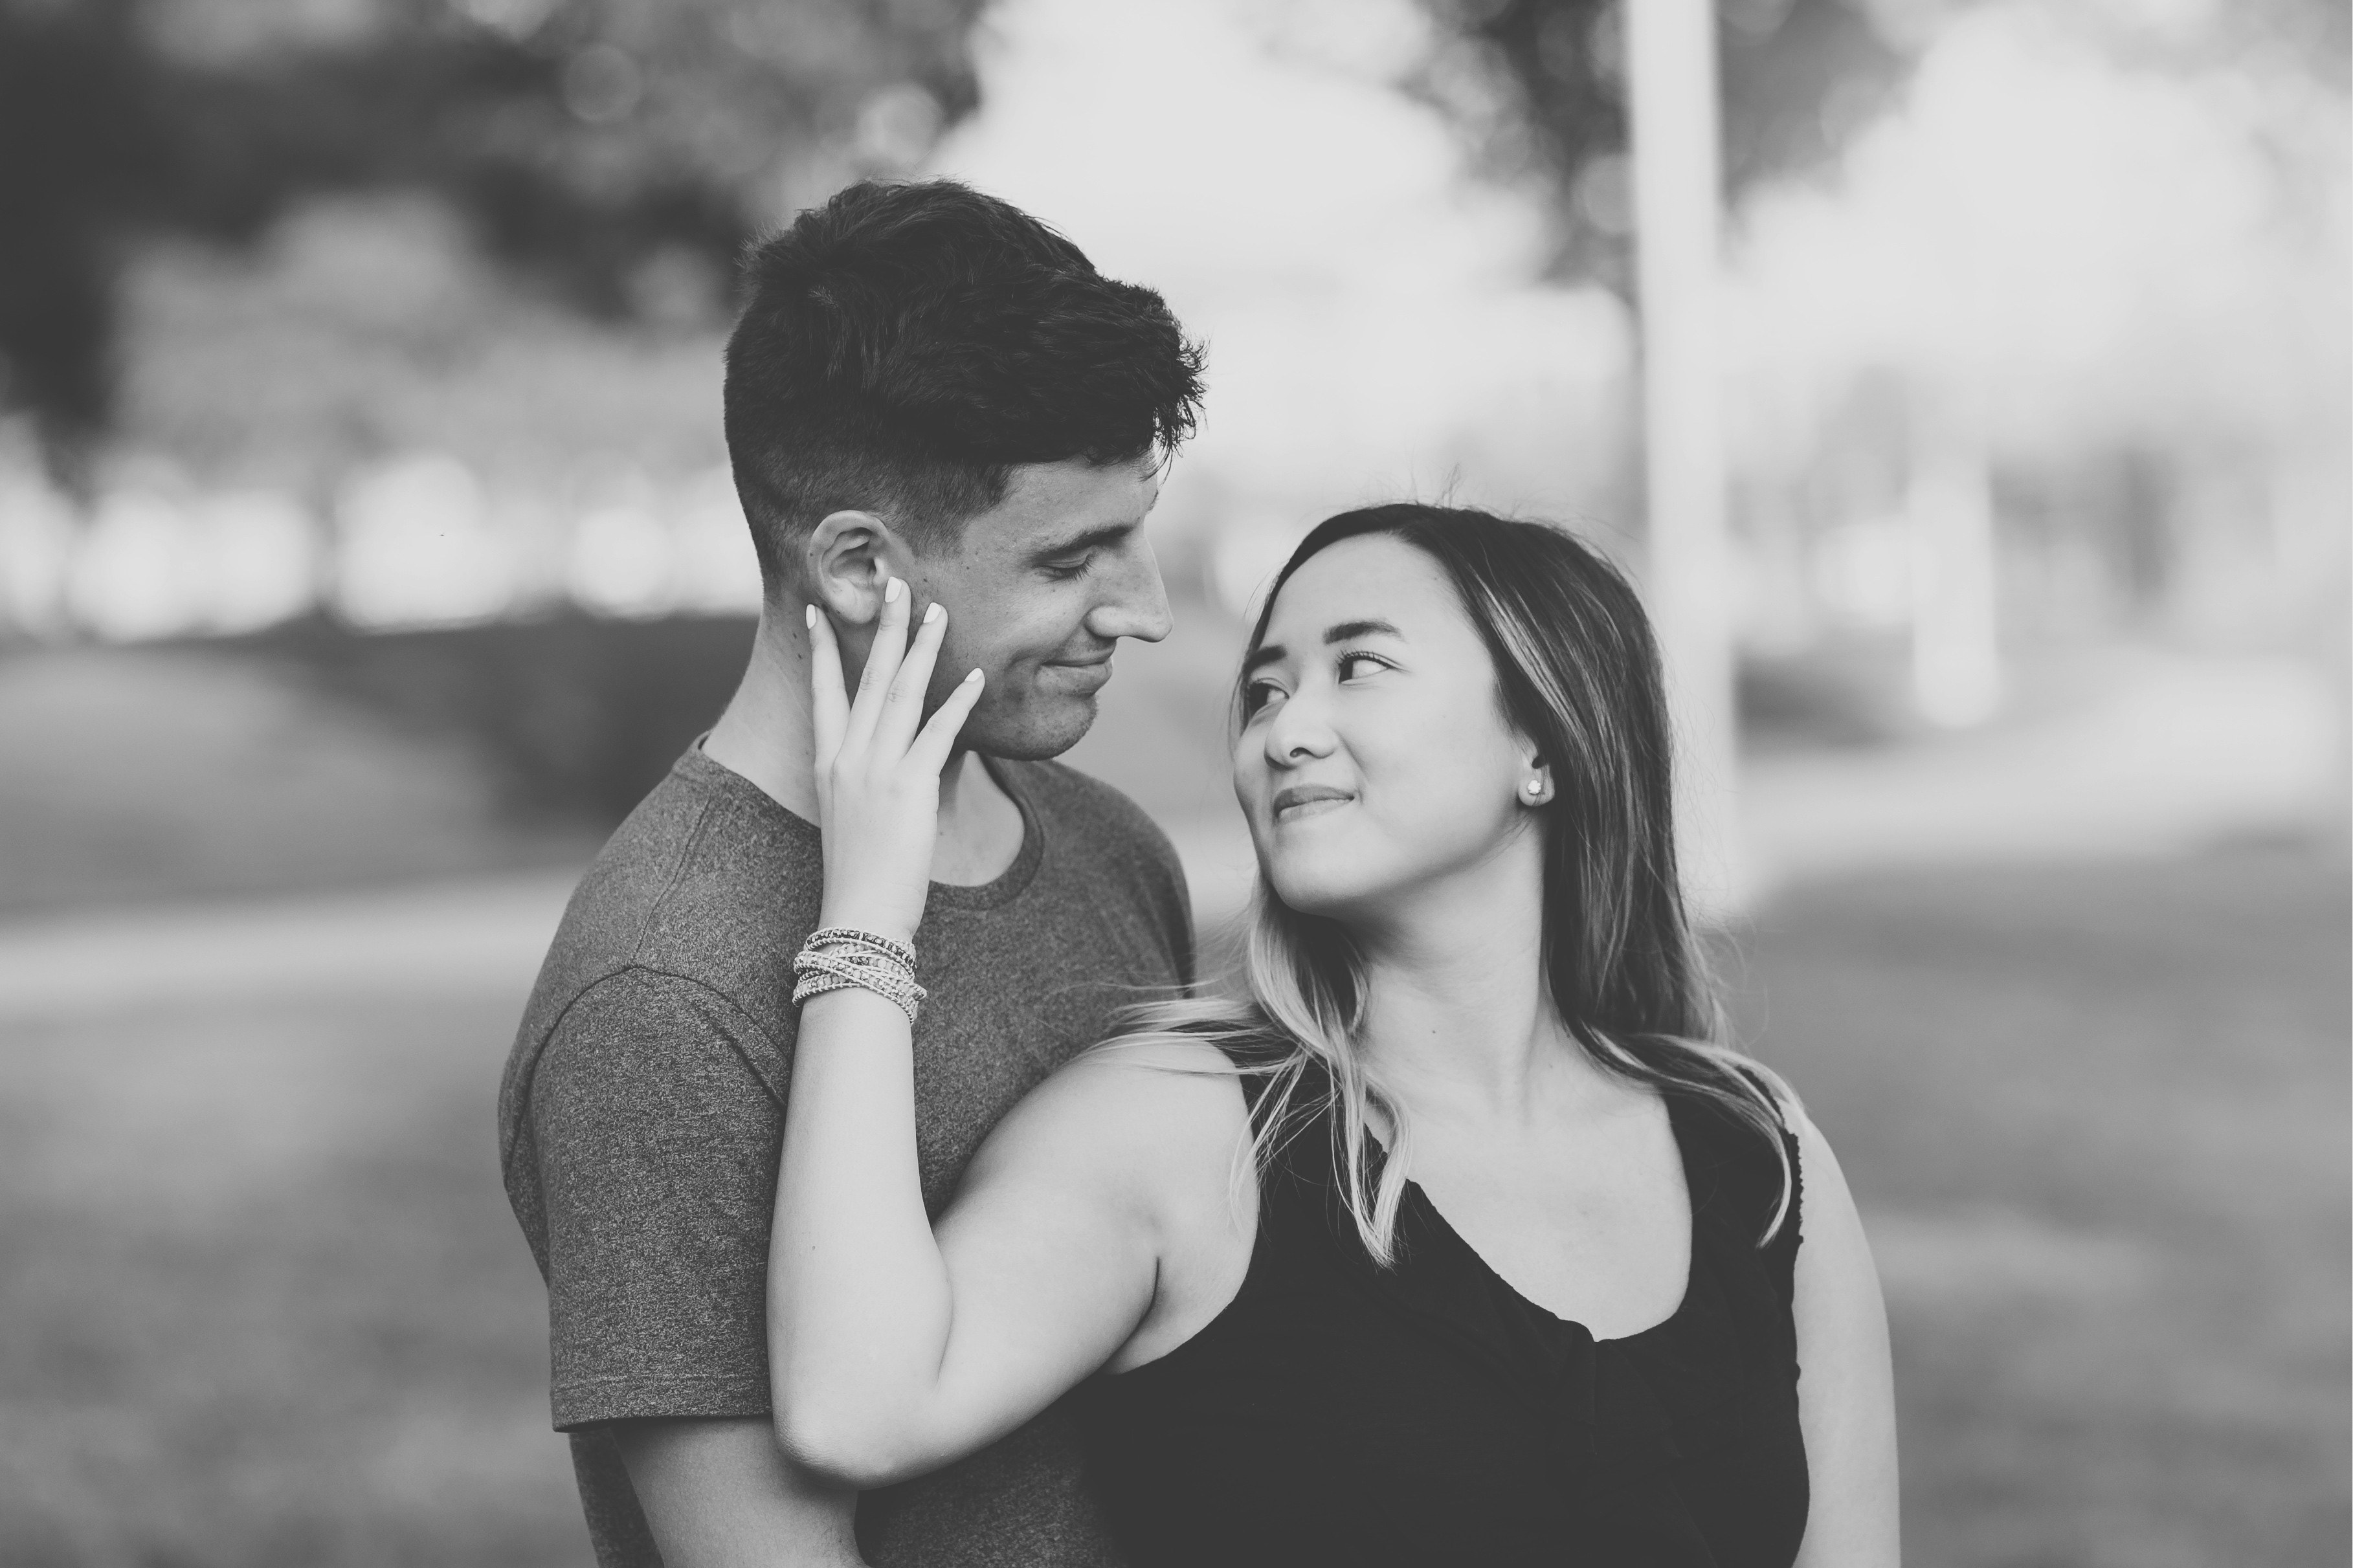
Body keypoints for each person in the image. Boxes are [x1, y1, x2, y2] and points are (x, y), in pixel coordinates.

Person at [768, 503, 1902, 1567]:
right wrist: (867, 916)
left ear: (1541, 747)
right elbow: (855, 1408)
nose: (1284, 732)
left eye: (1359, 668)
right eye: (1264, 693)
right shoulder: (1182, 1131)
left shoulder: (1758, 1148)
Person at [496, 178, 1206, 1568]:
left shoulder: (1115, 848)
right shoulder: (662, 991)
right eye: (1072, 558)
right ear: (862, 569)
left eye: (1136, 532)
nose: (1146, 609)